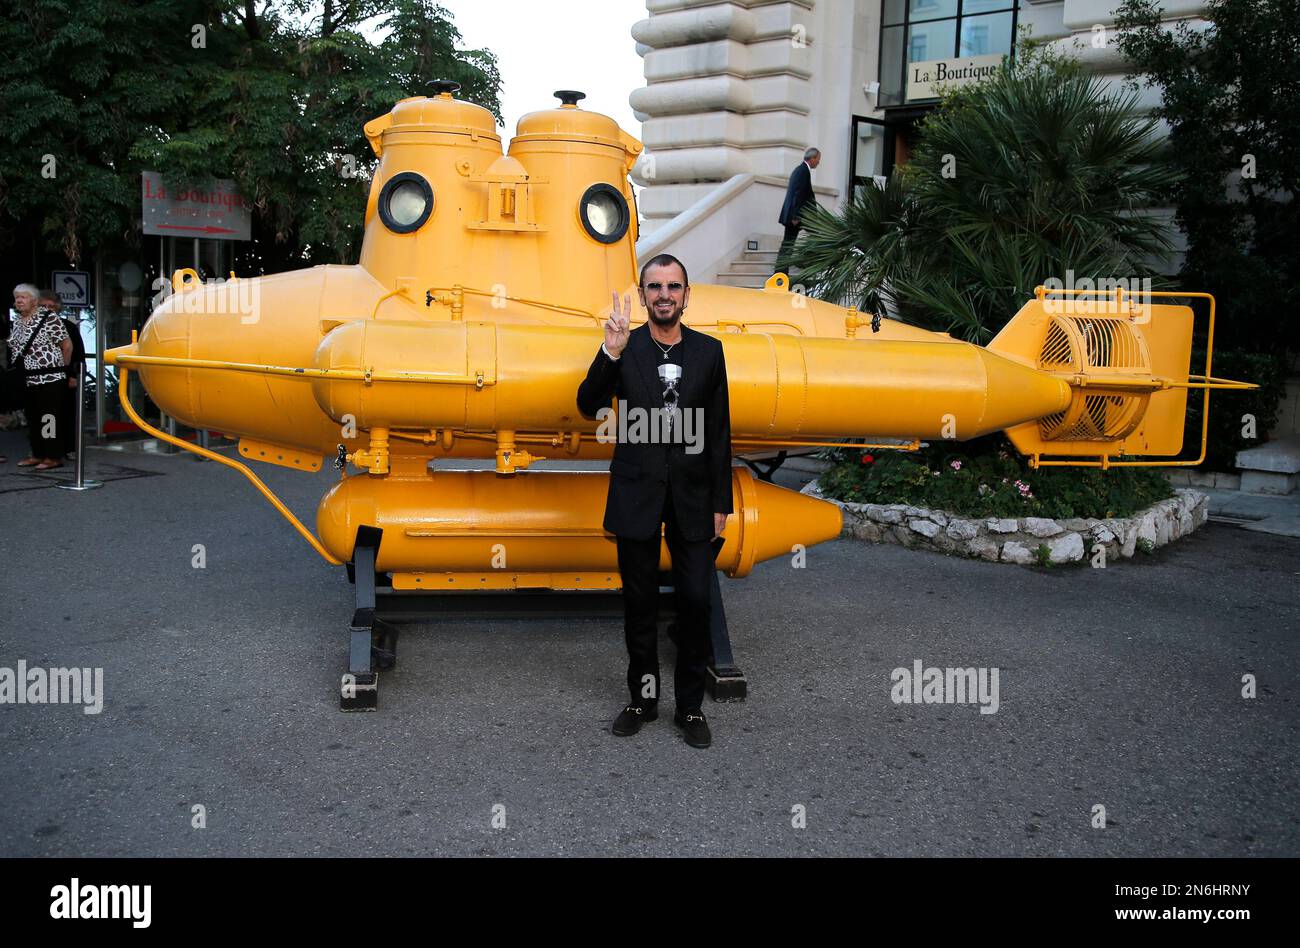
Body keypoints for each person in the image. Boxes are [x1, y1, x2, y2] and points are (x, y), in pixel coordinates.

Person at [576, 253, 734, 749]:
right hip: (637, 492)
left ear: (687, 295)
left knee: (695, 601)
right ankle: (642, 701)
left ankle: (689, 708)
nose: (664, 294)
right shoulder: (626, 346)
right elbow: (588, 405)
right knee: (639, 604)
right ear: (643, 296)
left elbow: (718, 432)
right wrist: (611, 352)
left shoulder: (709, 352)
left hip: (694, 497)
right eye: (655, 287)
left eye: (673, 286)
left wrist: (721, 501)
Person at [8, 284, 72, 470]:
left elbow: (67, 346)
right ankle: (37, 453)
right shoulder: (18, 321)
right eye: (17, 297)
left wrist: (63, 371)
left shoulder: (49, 318)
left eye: (23, 297)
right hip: (27, 378)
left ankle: (53, 455)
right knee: (33, 417)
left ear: (35, 301)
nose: (19, 300)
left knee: (48, 417)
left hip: (50, 378)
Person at [38, 288, 85, 460]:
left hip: (64, 377)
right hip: (40, 378)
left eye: (51, 306)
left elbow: (78, 353)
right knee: (44, 414)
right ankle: (46, 448)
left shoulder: (68, 326)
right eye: (44, 306)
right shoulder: (32, 327)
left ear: (57, 308)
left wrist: (74, 376)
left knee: (67, 413)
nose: (48, 310)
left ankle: (69, 447)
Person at [775, 146, 821, 275]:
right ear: (812, 158)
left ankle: (781, 272)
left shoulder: (800, 170)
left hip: (798, 215)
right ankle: (798, 263)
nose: (819, 162)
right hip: (798, 216)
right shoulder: (803, 171)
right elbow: (798, 194)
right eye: (818, 159)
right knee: (815, 236)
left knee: (788, 244)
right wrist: (795, 216)